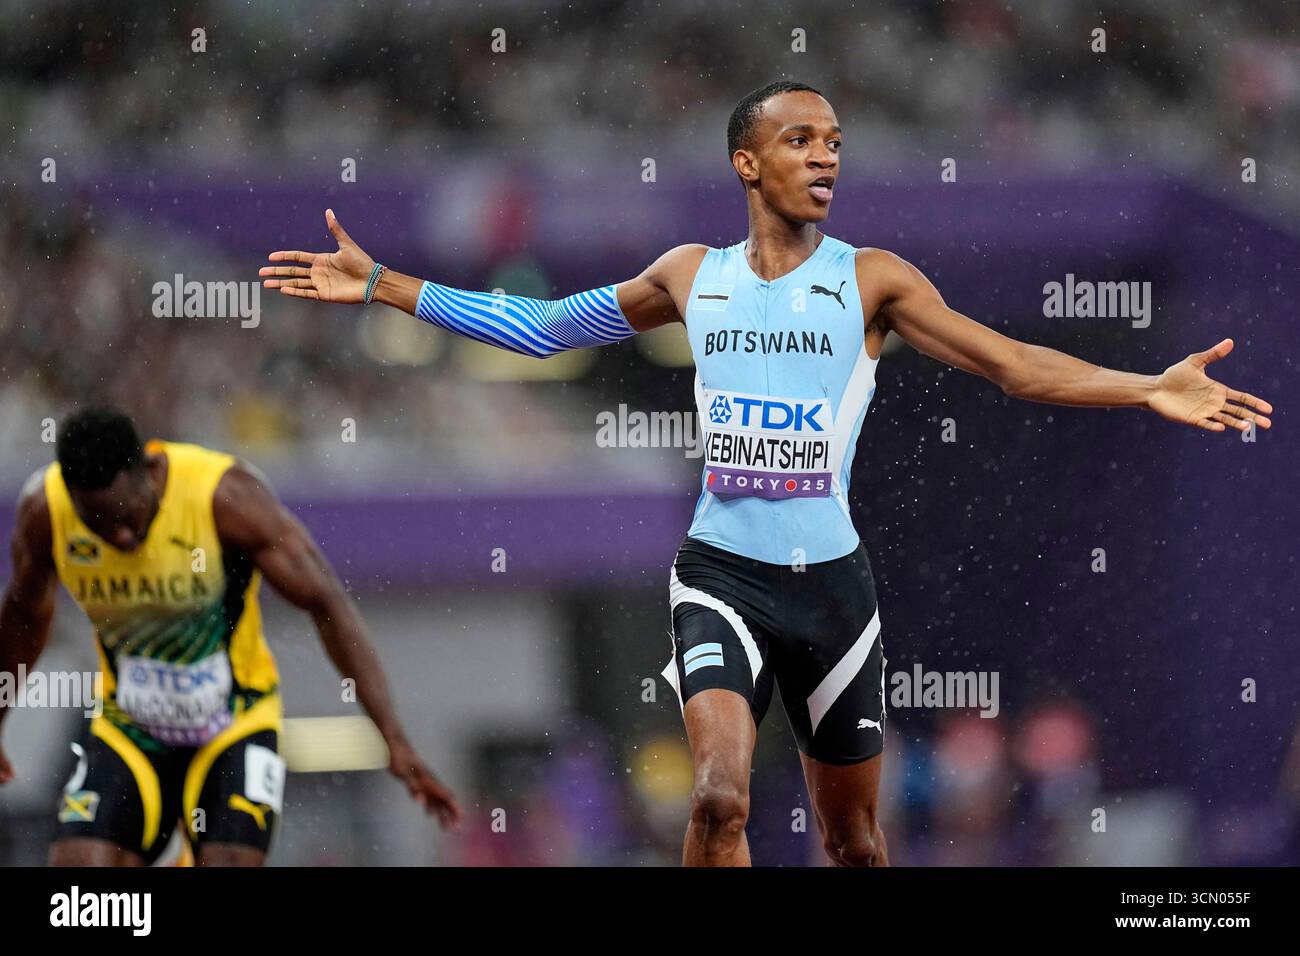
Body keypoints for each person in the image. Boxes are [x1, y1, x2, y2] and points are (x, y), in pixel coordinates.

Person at [259, 80, 1273, 867]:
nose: (824, 157)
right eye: (800, 141)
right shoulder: (689, 274)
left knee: (852, 842)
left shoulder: (871, 280)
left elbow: (1011, 363)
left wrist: (1146, 385)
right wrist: (381, 283)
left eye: (834, 142)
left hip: (832, 588)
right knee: (717, 796)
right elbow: (535, 328)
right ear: (747, 163)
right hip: (720, 573)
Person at [0, 407, 462, 865]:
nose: (120, 538)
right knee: (79, 883)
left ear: (149, 470)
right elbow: (24, 617)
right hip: (131, 729)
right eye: (98, 526)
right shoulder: (46, 514)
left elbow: (327, 604)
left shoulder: (224, 498)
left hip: (233, 724)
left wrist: (392, 736)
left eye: (127, 516)